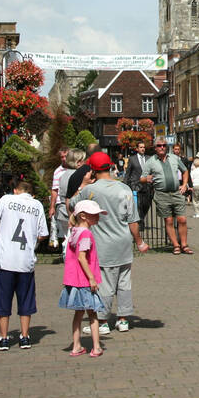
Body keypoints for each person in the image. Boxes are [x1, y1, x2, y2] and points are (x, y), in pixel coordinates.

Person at [70, 152, 149, 334]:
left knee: (104, 283)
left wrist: (82, 184)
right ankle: (123, 319)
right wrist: (139, 242)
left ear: (92, 170)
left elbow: (72, 205)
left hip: (101, 244)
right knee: (124, 282)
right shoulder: (124, 189)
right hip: (123, 242)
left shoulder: (90, 191)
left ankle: (103, 321)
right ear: (110, 167)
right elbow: (133, 221)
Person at [0, 172, 48, 351]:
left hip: (5, 259)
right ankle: (25, 336)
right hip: (25, 260)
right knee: (26, 299)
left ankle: (4, 338)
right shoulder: (36, 205)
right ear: (31, 193)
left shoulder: (6, 200)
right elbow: (43, 234)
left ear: (16, 190)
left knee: (2, 299)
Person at [62, 199, 108, 357]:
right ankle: (96, 347)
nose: (97, 217)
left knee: (78, 314)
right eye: (94, 215)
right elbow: (82, 257)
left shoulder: (74, 231)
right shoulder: (86, 233)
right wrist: (92, 278)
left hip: (74, 280)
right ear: (83, 216)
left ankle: (76, 346)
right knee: (93, 314)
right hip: (85, 280)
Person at [144, 138, 192, 253]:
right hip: (162, 195)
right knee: (169, 220)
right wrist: (146, 179)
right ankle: (176, 245)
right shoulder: (151, 161)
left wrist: (184, 185)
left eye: (164, 145)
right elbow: (142, 177)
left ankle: (184, 245)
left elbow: (185, 171)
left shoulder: (174, 158)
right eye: (159, 145)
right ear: (155, 148)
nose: (162, 147)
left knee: (182, 219)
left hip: (176, 193)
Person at [49, 148, 83, 250]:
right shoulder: (60, 172)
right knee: (71, 238)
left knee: (69, 237)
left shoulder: (68, 173)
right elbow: (55, 190)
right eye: (62, 157)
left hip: (66, 207)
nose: (64, 159)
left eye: (66, 156)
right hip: (66, 208)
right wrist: (52, 206)